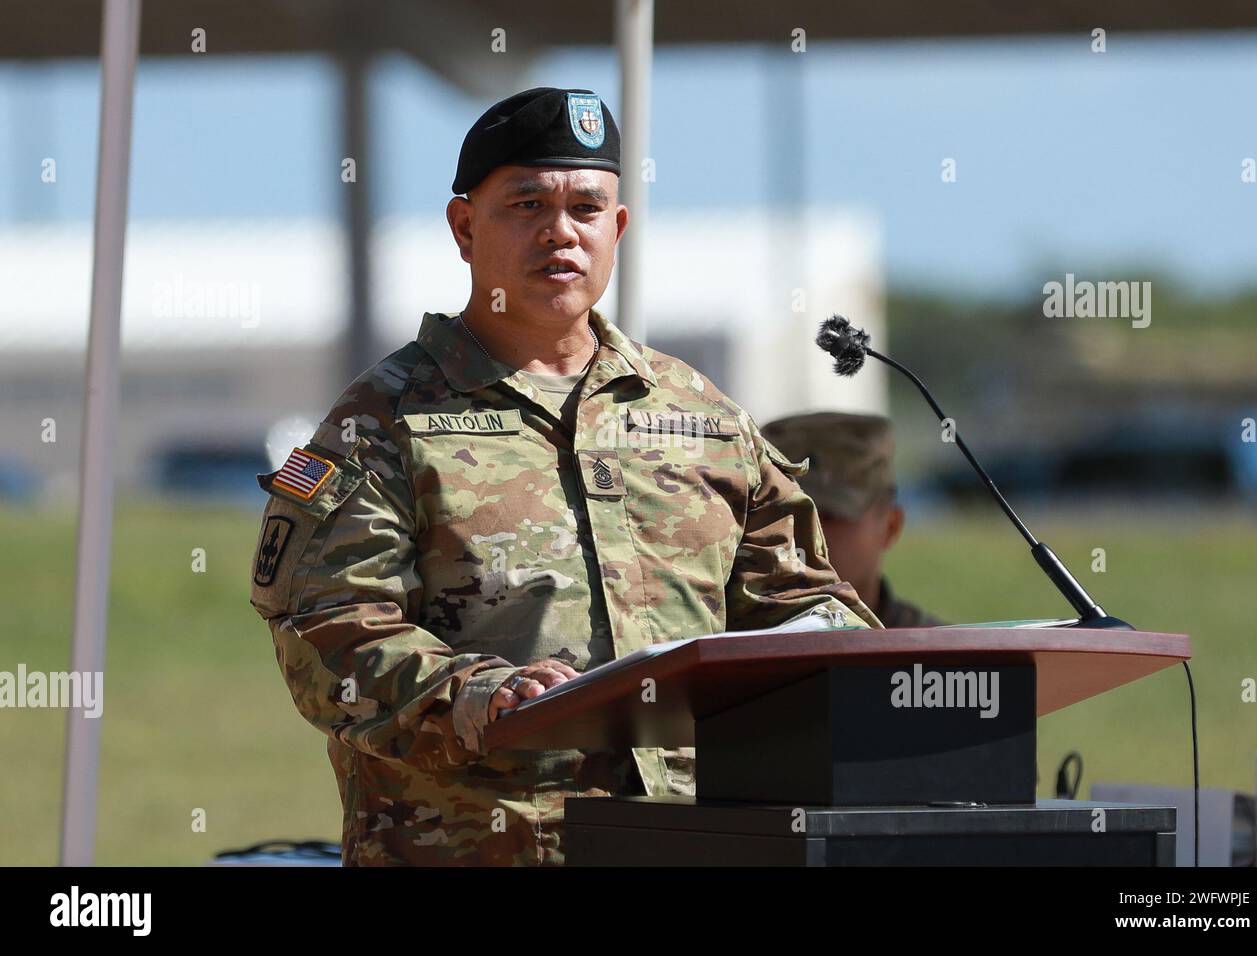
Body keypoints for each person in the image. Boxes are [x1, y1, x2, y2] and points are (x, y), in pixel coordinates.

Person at [249, 87, 881, 866]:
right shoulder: (383, 422)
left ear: (617, 230)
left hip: (701, 843)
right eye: (526, 204)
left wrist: (867, 662)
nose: (560, 233)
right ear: (464, 227)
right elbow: (329, 634)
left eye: (587, 208)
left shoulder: (702, 414)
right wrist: (478, 696)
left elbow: (801, 602)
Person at [760, 412, 944, 629]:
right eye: (785, 515)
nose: (806, 535)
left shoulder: (936, 655)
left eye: (830, 516)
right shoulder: (723, 643)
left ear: (890, 527)